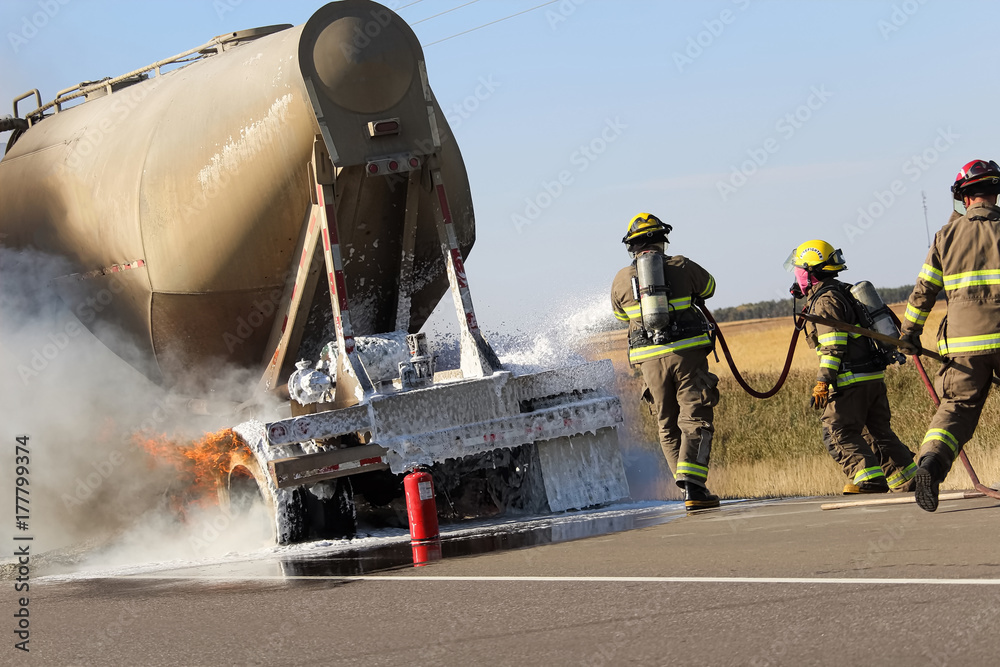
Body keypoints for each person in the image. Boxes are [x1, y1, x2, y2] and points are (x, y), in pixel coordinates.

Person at [898, 159, 1000, 512]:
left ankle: (930, 465)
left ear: (964, 197)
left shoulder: (946, 235)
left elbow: (924, 290)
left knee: (956, 410)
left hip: (964, 346)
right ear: (995, 193)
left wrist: (909, 333)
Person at [785, 240, 917, 494]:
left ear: (812, 271)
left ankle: (869, 479)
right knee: (877, 433)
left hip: (850, 380)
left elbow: (833, 346)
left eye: (800, 269)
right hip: (872, 378)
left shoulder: (825, 301)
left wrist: (823, 381)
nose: (797, 276)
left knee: (837, 431)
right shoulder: (844, 292)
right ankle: (911, 480)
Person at [611, 213, 721, 510]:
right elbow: (709, 288)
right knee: (694, 416)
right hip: (687, 356)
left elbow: (621, 316)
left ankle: (685, 483)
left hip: (648, 363)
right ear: (662, 240)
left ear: (631, 247)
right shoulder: (682, 265)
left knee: (666, 422)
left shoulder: (621, 279)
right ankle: (694, 486)